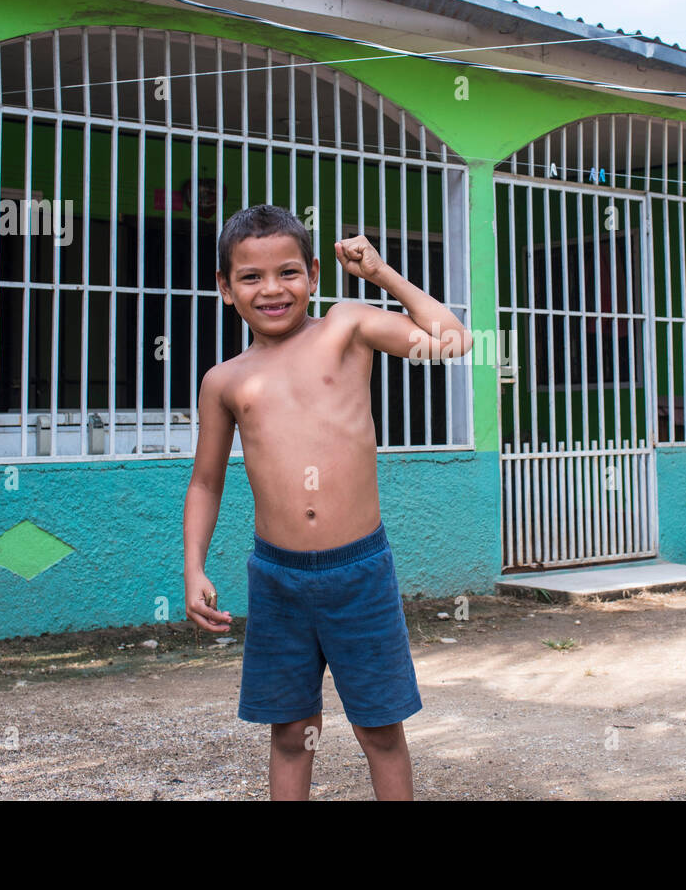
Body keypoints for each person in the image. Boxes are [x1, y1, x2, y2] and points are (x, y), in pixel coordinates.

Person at [182, 204, 471, 801]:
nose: (272, 290)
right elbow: (206, 482)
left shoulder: (347, 326)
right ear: (225, 288)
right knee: (290, 734)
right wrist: (193, 566)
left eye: (288, 272)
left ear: (314, 273)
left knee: (380, 731)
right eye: (251, 277)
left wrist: (384, 275)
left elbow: (452, 341)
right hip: (278, 578)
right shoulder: (225, 381)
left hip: (359, 571)